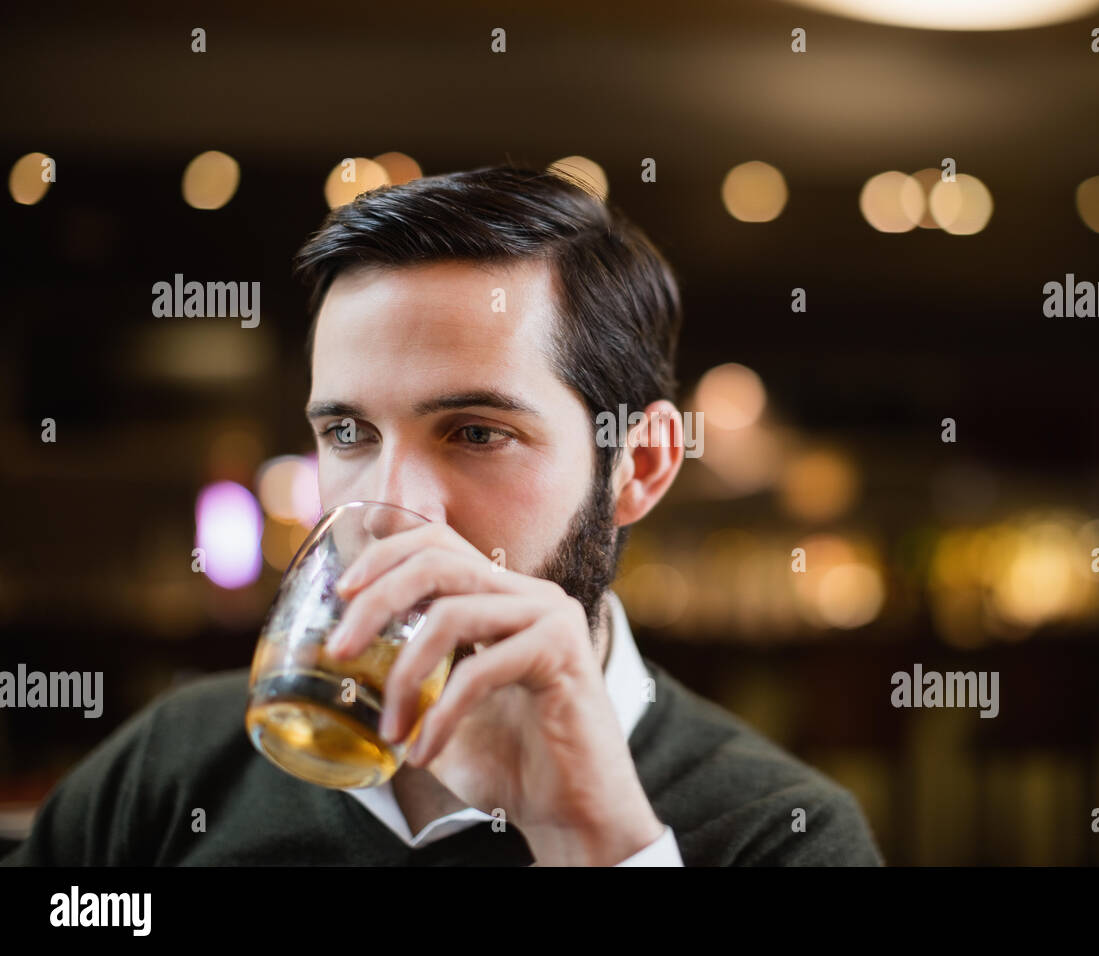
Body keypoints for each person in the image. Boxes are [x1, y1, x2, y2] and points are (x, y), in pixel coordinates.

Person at [2, 165, 883, 866]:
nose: (391, 511)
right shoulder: (175, 763)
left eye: (475, 431)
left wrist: (595, 847)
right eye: (347, 431)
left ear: (639, 465)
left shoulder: (779, 833)